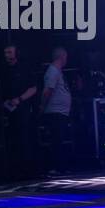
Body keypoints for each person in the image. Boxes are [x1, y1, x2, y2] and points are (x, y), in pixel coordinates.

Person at [0, 43, 39, 177]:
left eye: (9, 52)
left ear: (16, 53)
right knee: (12, 139)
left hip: (23, 109)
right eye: (5, 53)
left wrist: (20, 99)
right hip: (8, 110)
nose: (7, 55)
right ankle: (14, 171)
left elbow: (33, 88)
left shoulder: (24, 68)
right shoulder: (3, 71)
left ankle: (28, 170)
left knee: (25, 138)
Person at [40, 46, 73, 174]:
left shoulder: (58, 71)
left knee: (59, 140)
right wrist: (42, 107)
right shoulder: (53, 71)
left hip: (61, 112)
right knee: (56, 141)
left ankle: (61, 167)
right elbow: (47, 91)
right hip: (55, 112)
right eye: (66, 57)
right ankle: (56, 168)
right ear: (62, 57)